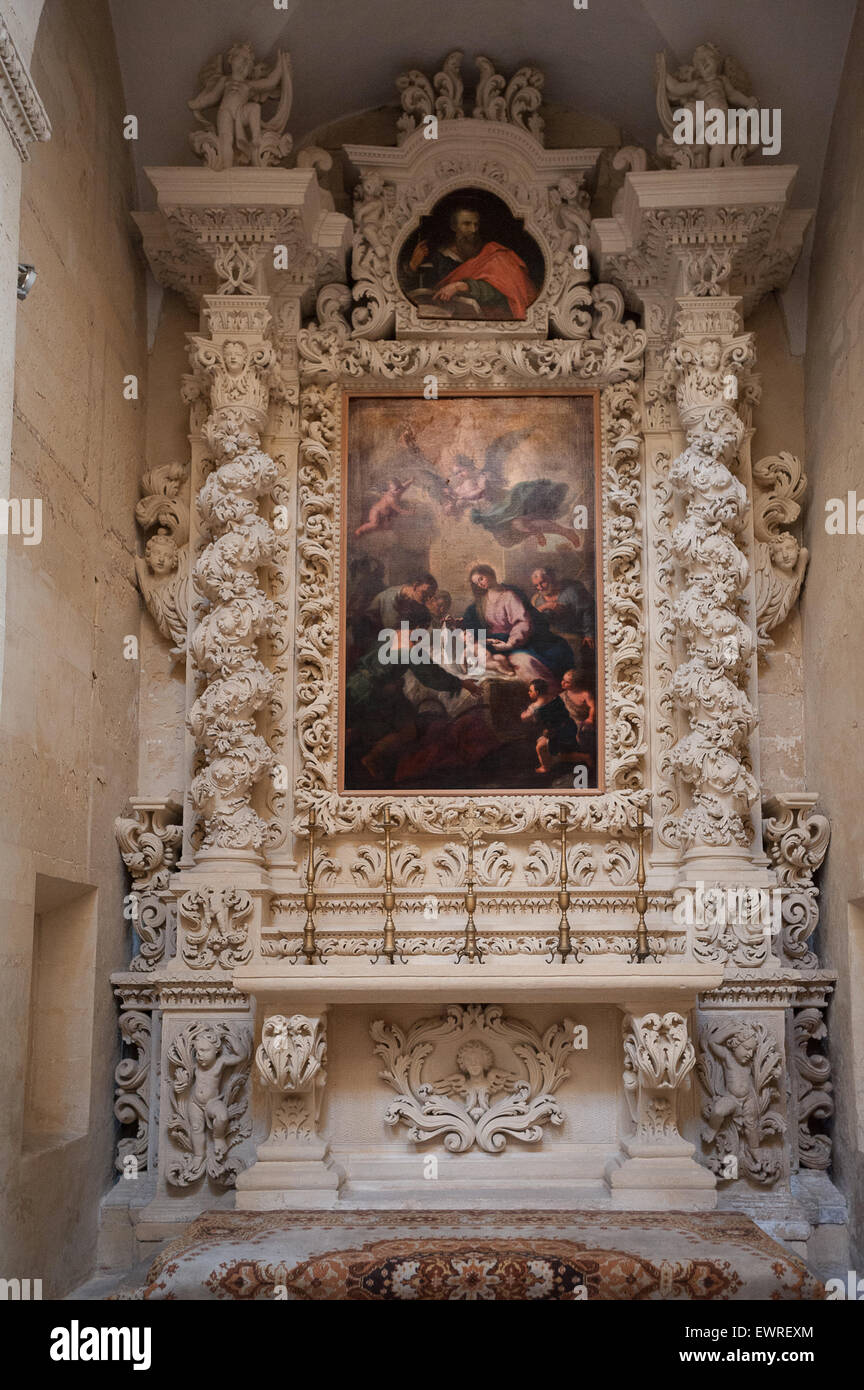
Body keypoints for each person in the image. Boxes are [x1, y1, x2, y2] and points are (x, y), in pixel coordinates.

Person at [405, 204, 538, 320]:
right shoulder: (439, 257)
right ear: (453, 226)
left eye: (476, 224)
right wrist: (412, 266)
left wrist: (461, 286)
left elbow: (507, 289)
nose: (474, 230)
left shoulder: (494, 254)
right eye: (467, 224)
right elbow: (423, 291)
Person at [460, 564, 575, 685]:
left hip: (513, 641)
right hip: (493, 642)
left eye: (481, 578)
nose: (480, 584)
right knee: (470, 655)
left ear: (490, 573)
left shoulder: (509, 595)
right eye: (477, 583)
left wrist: (510, 643)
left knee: (527, 663)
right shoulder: (481, 601)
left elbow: (522, 622)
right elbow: (472, 622)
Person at [535, 669, 597, 775]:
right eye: (563, 680)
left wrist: (590, 718)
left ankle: (583, 758)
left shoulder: (584, 694)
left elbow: (593, 706)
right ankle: (547, 765)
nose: (562, 683)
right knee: (543, 744)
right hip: (564, 724)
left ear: (576, 684)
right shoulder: (562, 696)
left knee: (556, 747)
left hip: (580, 724)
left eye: (567, 682)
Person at [531, 566, 596, 646]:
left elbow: (588, 610)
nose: (540, 588)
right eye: (536, 585)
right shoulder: (538, 600)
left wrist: (589, 635)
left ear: (551, 579)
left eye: (542, 583)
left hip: (578, 635)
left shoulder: (571, 592)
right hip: (556, 639)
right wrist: (545, 606)